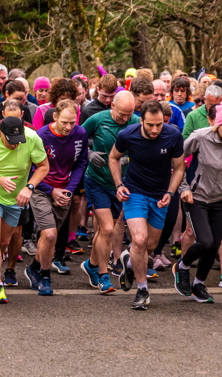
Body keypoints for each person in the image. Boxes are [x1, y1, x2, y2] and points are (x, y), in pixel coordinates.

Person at [109, 100, 186, 310]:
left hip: (160, 196)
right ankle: (142, 290)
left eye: (159, 124)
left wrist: (171, 192)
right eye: (150, 125)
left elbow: (179, 168)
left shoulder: (173, 136)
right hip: (135, 193)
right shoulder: (128, 135)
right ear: (141, 120)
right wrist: (119, 185)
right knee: (140, 240)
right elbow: (114, 157)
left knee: (149, 246)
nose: (155, 130)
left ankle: (130, 261)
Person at [173, 100, 222, 303]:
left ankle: (199, 283)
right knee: (205, 241)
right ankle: (182, 265)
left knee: (214, 244)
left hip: (221, 198)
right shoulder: (200, 137)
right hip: (195, 196)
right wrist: (184, 188)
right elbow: (177, 161)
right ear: (217, 124)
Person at [0, 116, 49, 303]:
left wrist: (29, 187)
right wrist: (1, 180)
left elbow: (43, 166)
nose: (15, 145)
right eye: (10, 141)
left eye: (19, 141)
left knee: (3, 243)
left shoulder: (32, 138)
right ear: (0, 134)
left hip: (17, 198)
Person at [80, 91, 140, 294]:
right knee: (106, 229)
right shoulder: (98, 119)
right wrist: (89, 152)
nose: (125, 119)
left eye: (129, 114)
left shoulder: (136, 122)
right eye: (122, 114)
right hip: (96, 179)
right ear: (112, 106)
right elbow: (78, 138)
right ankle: (104, 276)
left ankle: (91, 264)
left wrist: (128, 160)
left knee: (106, 229)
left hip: (121, 183)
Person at [27, 99, 88, 295]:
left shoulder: (80, 134)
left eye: (73, 122)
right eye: (65, 122)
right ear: (55, 117)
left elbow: (81, 163)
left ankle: (34, 268)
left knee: (48, 238)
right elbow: (30, 170)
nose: (69, 127)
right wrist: (50, 190)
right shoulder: (41, 136)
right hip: (42, 189)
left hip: (64, 191)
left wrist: (69, 190)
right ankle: (45, 276)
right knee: (50, 233)